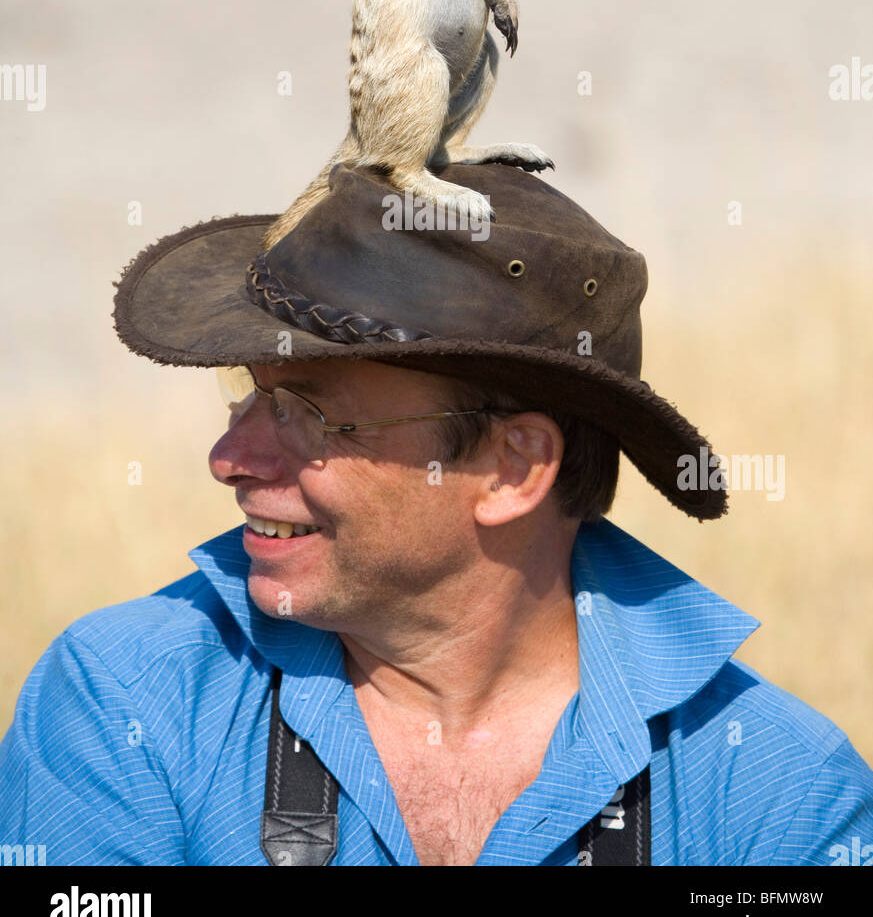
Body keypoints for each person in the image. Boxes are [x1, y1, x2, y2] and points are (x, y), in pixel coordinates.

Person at [1, 162, 871, 866]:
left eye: (309, 414)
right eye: (248, 396)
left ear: (511, 468)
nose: (230, 460)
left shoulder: (774, 790)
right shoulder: (126, 698)